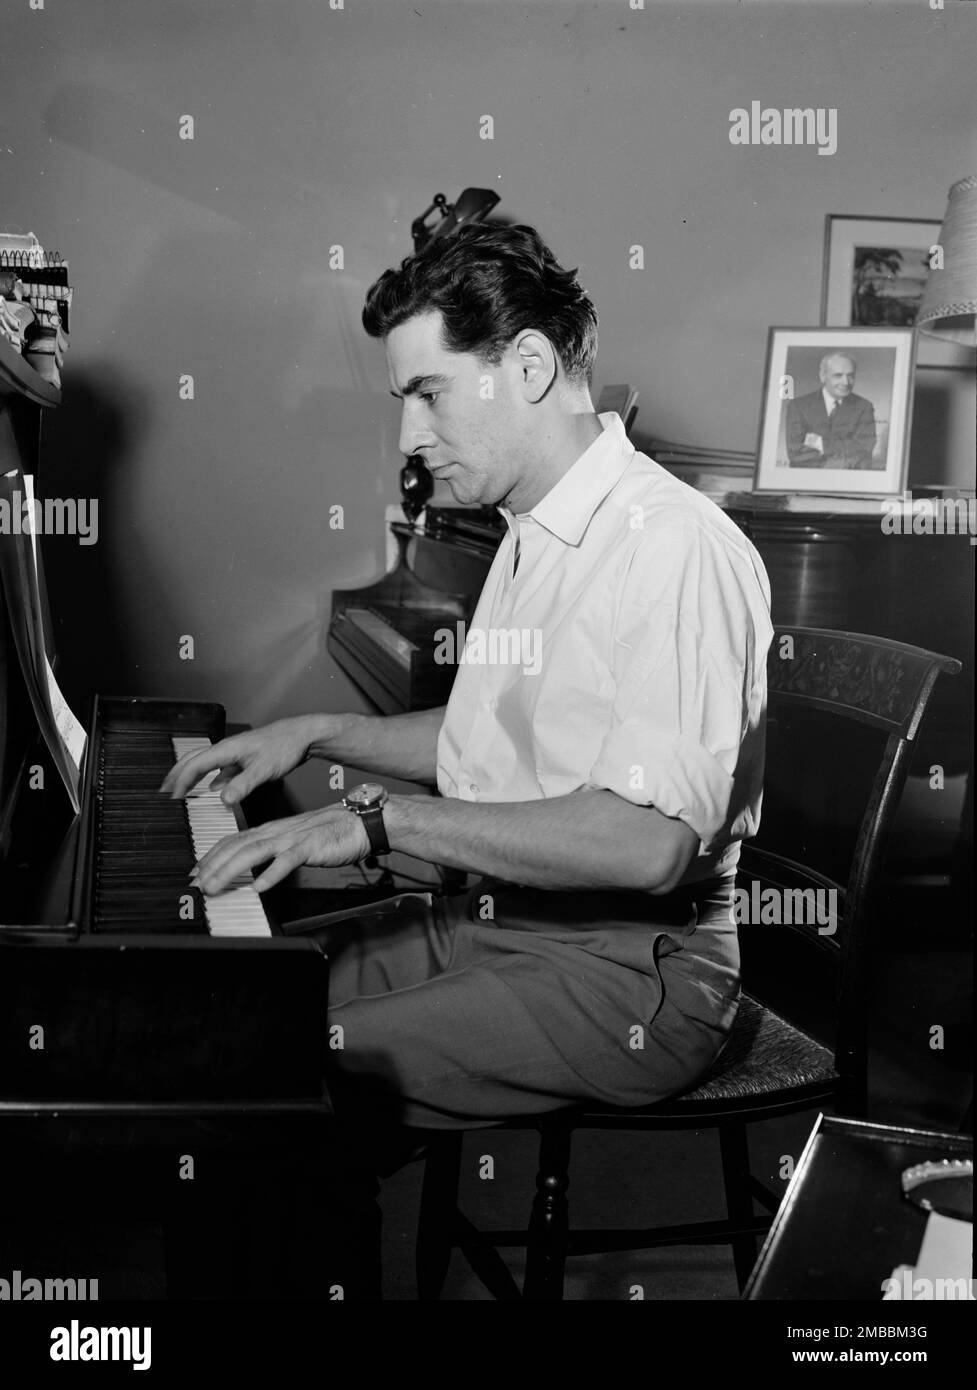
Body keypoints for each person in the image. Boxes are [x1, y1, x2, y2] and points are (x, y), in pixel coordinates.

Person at [162, 223, 773, 1170]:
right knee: (241, 1009)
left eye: (427, 393)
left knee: (274, 1074)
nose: (409, 435)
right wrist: (318, 734)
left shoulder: (670, 545)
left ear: (527, 365)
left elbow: (645, 841)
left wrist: (380, 825)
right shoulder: (530, 523)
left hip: (633, 973)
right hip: (508, 923)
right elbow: (492, 736)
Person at [785, 351, 878, 469]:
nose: (845, 382)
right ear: (823, 376)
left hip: (846, 481)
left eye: (850, 376)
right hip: (806, 479)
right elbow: (795, 452)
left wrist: (819, 443)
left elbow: (864, 448)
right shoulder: (798, 406)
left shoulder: (864, 407)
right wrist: (842, 453)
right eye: (838, 375)